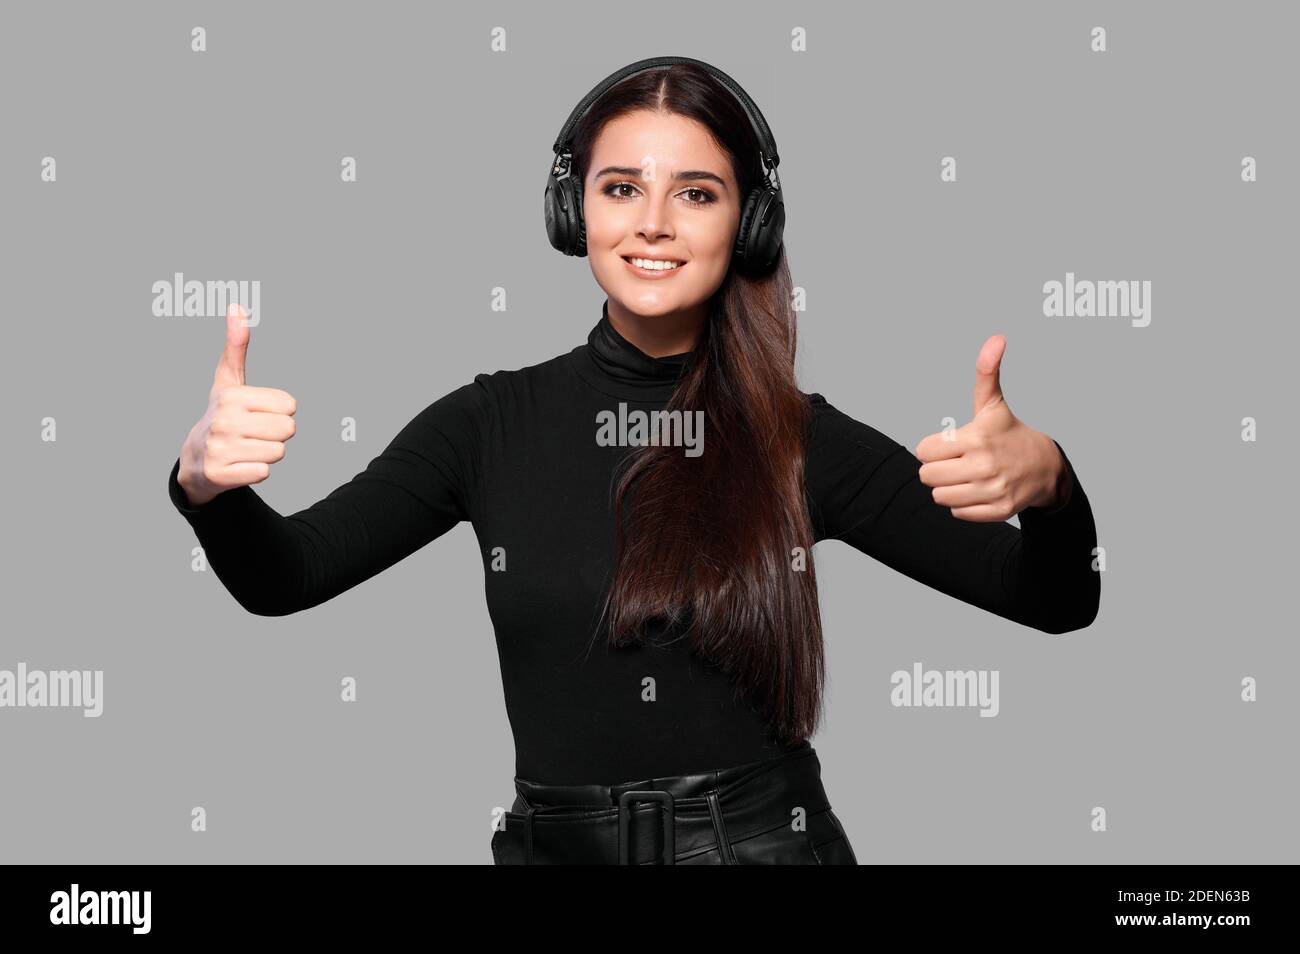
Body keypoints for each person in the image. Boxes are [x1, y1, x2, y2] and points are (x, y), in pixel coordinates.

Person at [167, 57, 1100, 864]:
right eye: (621, 188)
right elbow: (285, 577)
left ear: (749, 224)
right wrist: (204, 488)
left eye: (696, 192)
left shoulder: (800, 439)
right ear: (575, 210)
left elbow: (1056, 602)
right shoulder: (487, 424)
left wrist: (1054, 486)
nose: (653, 221)